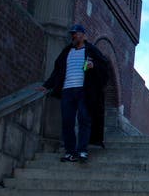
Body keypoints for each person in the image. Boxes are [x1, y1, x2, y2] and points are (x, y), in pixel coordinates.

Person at [41, 23, 109, 163]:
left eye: (76, 33)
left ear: (83, 35)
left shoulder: (91, 50)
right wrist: (47, 85)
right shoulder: (67, 51)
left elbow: (104, 66)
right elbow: (58, 71)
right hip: (67, 90)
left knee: (84, 119)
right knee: (67, 122)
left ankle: (82, 150)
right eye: (72, 34)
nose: (74, 36)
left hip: (84, 91)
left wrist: (94, 65)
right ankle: (70, 152)